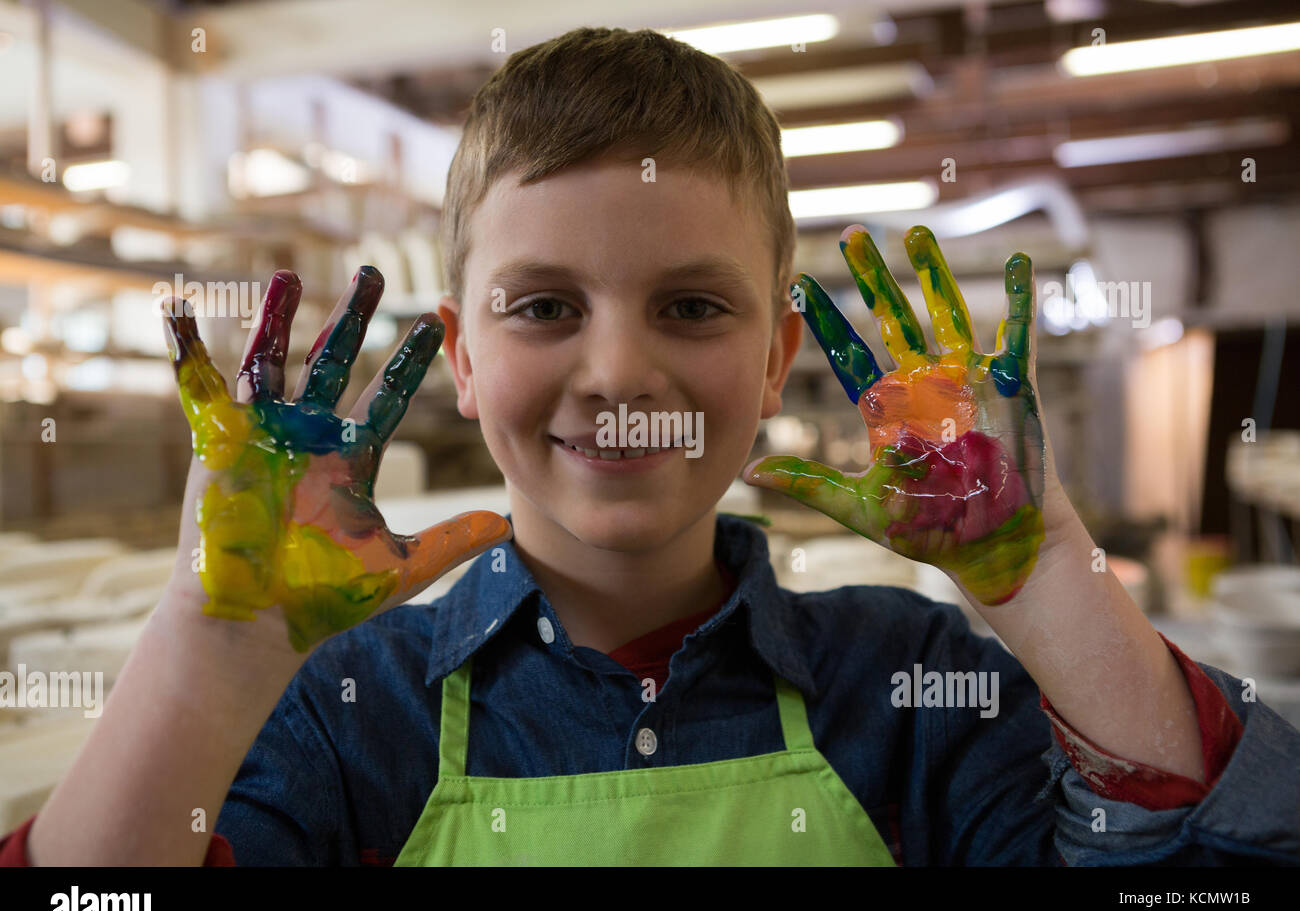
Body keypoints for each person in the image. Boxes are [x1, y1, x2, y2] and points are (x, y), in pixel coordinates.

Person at [4, 26, 1297, 867]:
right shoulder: (349, 718)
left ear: (780, 354)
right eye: (545, 307)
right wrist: (206, 662)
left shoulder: (913, 690)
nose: (619, 371)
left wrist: (1050, 579)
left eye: (691, 305)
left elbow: (1211, 894)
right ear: (458, 352)